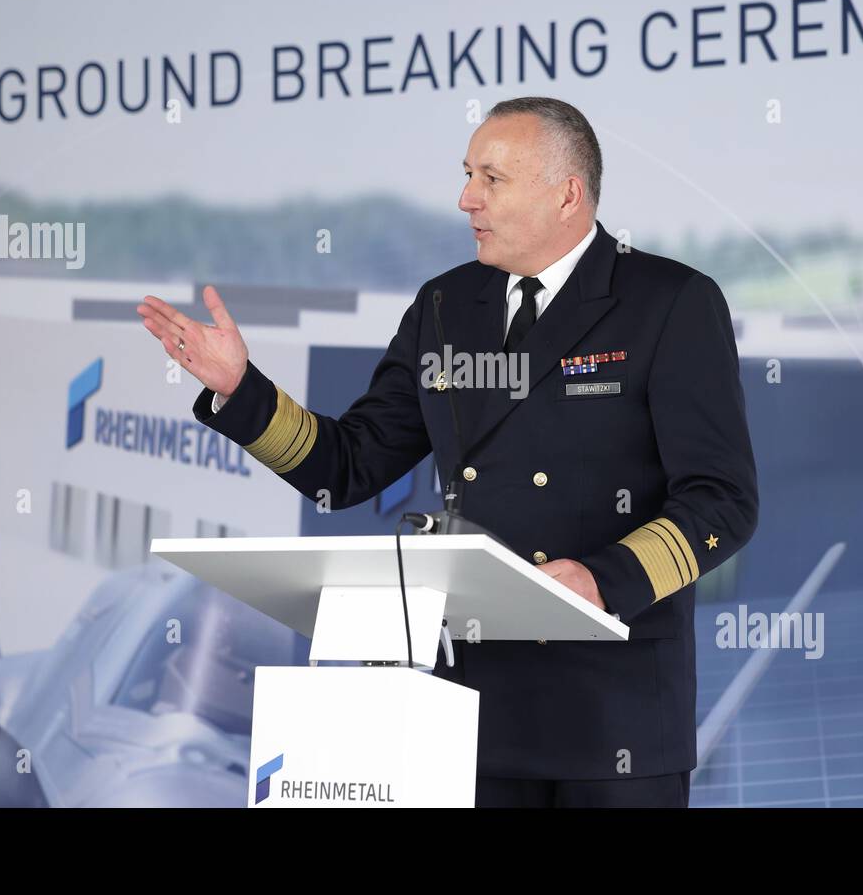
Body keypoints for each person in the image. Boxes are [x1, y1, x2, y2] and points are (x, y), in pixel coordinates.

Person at [137, 96, 758, 807]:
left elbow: (722, 500)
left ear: (567, 193)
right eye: (467, 174)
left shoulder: (669, 301)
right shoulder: (445, 305)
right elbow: (351, 464)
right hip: (470, 711)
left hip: (613, 718)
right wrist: (243, 391)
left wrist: (599, 580)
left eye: (491, 179)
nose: (467, 199)